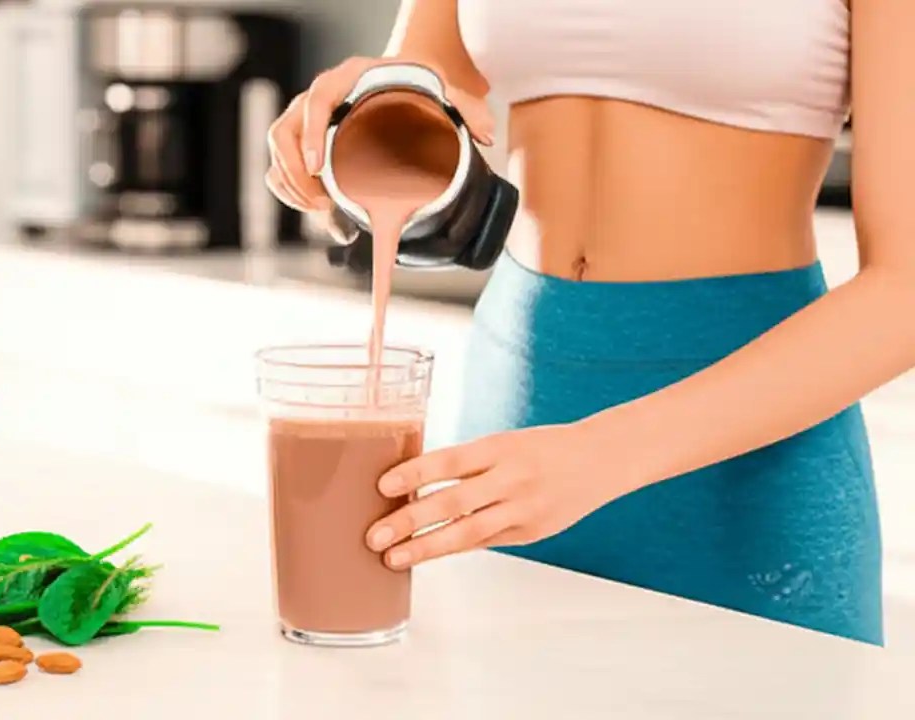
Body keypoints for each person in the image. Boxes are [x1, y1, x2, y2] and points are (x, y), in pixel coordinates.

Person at [265, 0, 908, 646]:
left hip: (744, 462)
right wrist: (349, 121)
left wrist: (602, 455)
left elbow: (903, 293)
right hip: (516, 418)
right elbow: (426, 85)